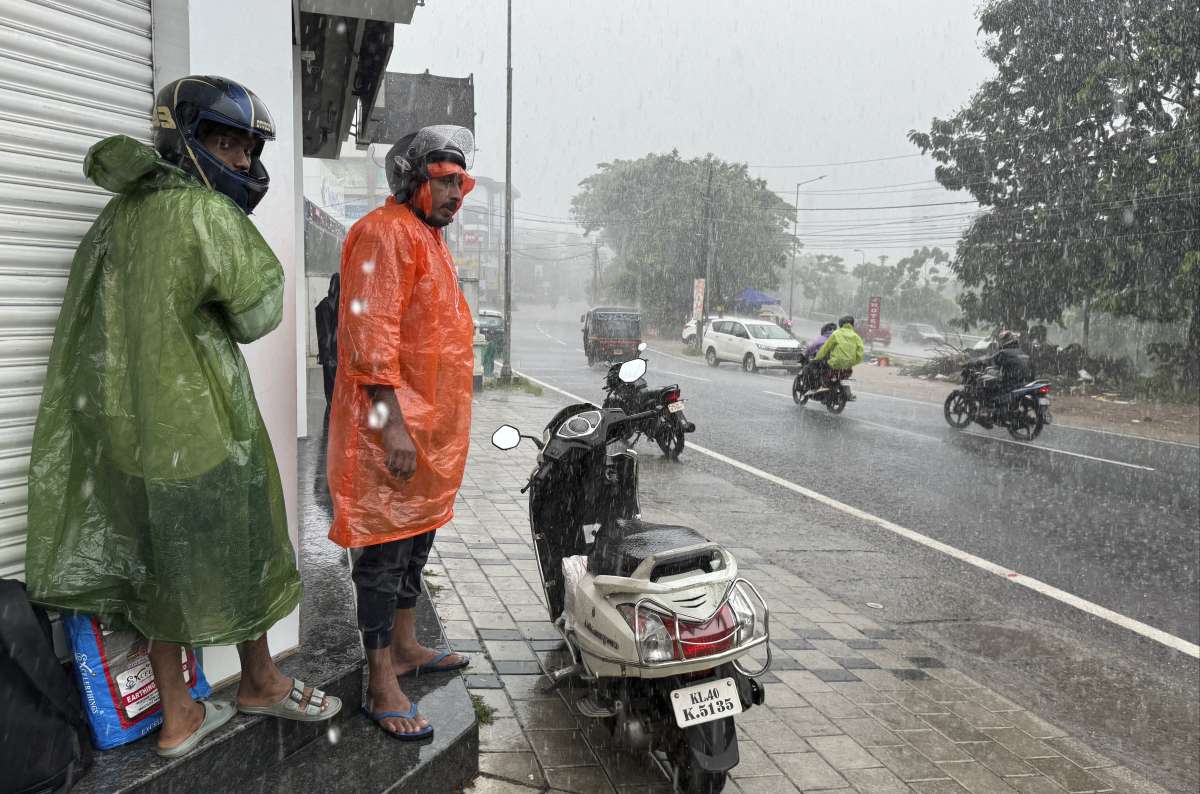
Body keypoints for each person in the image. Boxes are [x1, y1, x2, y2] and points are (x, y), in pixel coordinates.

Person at [24, 75, 340, 759]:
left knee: (157, 571)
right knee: (244, 551)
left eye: (249, 150)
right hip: (198, 433)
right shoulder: (201, 213)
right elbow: (258, 312)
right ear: (188, 138)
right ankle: (258, 677)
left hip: (129, 438)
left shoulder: (118, 216)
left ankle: (177, 717)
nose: (243, 164)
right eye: (229, 145)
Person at [326, 125, 477, 741]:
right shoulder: (383, 233)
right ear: (413, 180)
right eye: (444, 181)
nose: (455, 195)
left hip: (430, 430)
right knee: (383, 556)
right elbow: (370, 339)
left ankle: (409, 645)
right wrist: (390, 429)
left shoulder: (427, 239)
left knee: (416, 542)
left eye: (459, 183)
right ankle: (379, 676)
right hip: (391, 428)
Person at [981, 330, 1033, 420]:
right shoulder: (1021, 352)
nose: (1000, 342)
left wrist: (976, 362)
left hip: (1011, 383)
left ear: (1006, 341)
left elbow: (990, 361)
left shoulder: (1004, 353)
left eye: (1002, 340)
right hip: (1024, 382)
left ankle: (989, 411)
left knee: (986, 385)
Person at [813, 315, 866, 398]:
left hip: (835, 364)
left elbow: (825, 348)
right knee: (845, 377)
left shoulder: (836, 334)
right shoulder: (856, 337)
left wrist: (817, 358)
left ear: (841, 324)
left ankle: (823, 386)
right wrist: (853, 362)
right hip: (847, 366)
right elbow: (860, 353)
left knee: (822, 370)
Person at [315, 272, 340, 415]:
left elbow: (324, 332)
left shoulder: (326, 305)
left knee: (330, 385)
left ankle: (332, 408)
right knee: (333, 385)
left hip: (330, 354)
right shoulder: (331, 306)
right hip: (333, 353)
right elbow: (326, 332)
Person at [800, 323, 837, 390]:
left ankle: (810, 386)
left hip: (823, 361)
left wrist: (806, 354)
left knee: (807, 368)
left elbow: (811, 348)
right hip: (835, 361)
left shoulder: (821, 338)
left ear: (823, 330)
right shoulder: (837, 338)